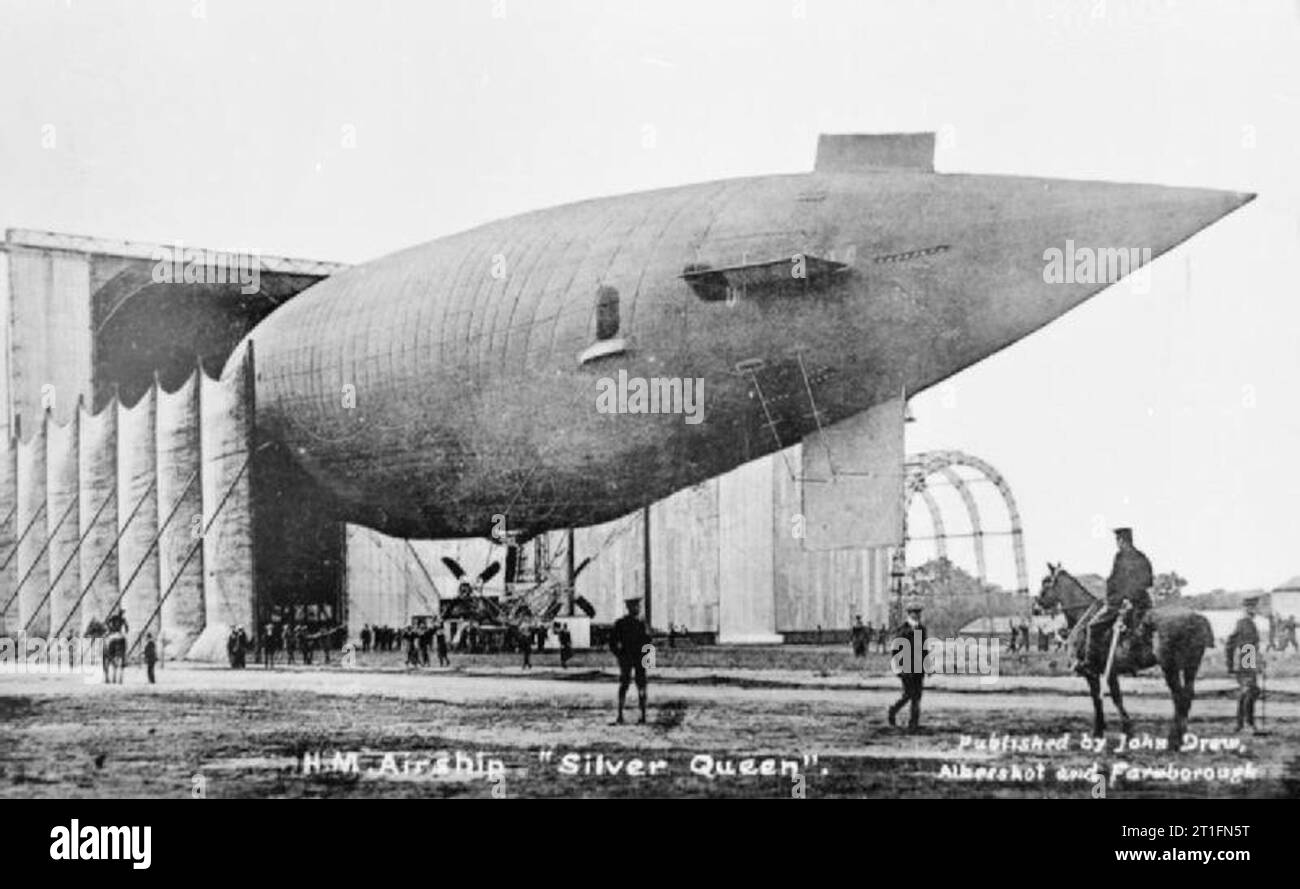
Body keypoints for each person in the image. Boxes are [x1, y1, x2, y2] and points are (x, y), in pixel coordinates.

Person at [1082, 527, 1153, 675]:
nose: (1118, 544)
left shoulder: (1120, 557)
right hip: (1143, 603)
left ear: (1122, 541)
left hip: (1121, 603)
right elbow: (1148, 581)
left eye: (1118, 540)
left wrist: (1120, 598)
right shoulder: (1142, 557)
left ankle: (1090, 664)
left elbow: (1114, 581)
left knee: (1093, 626)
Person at [887, 601, 928, 731]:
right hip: (906, 668)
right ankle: (893, 711)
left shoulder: (922, 629)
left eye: (918, 613)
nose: (917, 615)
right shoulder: (902, 630)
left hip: (919, 668)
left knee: (917, 696)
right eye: (914, 613)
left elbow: (924, 649)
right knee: (909, 694)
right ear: (909, 614)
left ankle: (914, 723)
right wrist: (898, 668)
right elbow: (895, 650)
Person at [609, 597, 650, 724]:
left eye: (638, 606)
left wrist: (619, 654)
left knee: (629, 685)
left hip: (631, 658)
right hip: (635, 658)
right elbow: (649, 642)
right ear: (630, 608)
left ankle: (631, 715)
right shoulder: (639, 624)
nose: (638, 609)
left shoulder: (623, 623)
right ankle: (631, 715)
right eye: (636, 606)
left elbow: (648, 642)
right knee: (635, 685)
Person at [1226, 596, 1263, 733]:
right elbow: (1247, 648)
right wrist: (1252, 665)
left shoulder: (1246, 623)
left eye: (1254, 607)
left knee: (1247, 693)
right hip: (1246, 663)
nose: (1255, 610)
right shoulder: (1246, 624)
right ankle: (1248, 724)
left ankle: (1241, 724)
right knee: (1250, 692)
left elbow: (1232, 644)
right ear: (1247, 609)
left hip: (1246, 662)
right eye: (1252, 608)